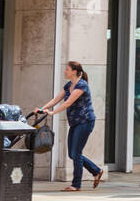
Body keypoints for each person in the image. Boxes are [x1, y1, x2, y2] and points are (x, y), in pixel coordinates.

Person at [38, 61, 103, 192]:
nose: (65, 71)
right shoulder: (68, 85)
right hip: (75, 123)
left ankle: (76, 184)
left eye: (67, 69)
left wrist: (52, 113)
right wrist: (41, 108)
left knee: (76, 153)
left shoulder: (82, 85)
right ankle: (96, 171)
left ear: (74, 71)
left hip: (85, 121)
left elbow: (67, 103)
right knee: (73, 154)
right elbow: (56, 99)